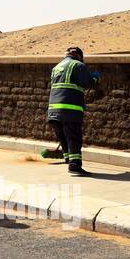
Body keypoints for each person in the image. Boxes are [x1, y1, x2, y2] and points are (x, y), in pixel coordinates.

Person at [45, 46, 101, 176]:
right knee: (74, 137)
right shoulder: (78, 65)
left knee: (63, 136)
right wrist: (96, 78)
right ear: (80, 56)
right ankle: (74, 165)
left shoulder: (56, 67)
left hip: (53, 109)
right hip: (70, 109)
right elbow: (88, 82)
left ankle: (68, 158)